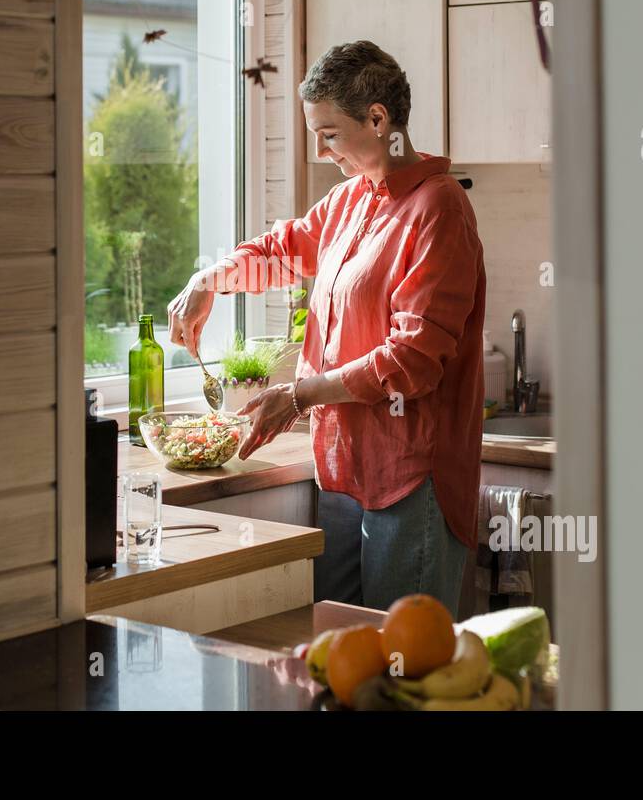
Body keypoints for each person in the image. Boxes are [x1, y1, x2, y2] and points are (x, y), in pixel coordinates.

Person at [167, 40, 486, 617]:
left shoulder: (438, 208)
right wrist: (207, 280)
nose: (319, 150)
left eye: (329, 133)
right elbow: (279, 252)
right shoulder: (348, 201)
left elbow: (412, 360)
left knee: (402, 674)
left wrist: (297, 395)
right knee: (337, 656)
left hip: (413, 480)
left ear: (378, 118)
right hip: (341, 469)